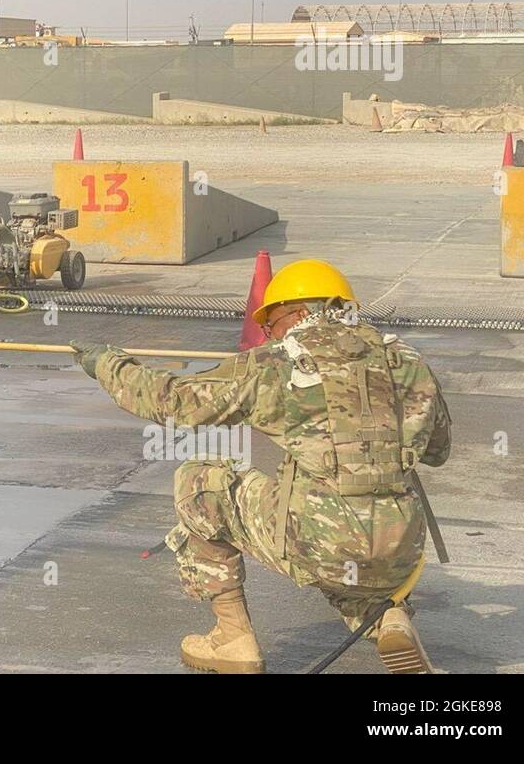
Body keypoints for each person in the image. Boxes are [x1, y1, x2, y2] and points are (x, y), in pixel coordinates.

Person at [72, 259, 450, 674]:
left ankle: (232, 639)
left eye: (272, 324)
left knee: (200, 481)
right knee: (355, 541)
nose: (269, 334)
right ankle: (388, 616)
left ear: (300, 313)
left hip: (324, 543)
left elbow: (174, 402)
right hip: (401, 548)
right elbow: (438, 451)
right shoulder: (406, 359)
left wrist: (107, 364)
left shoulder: (277, 363)